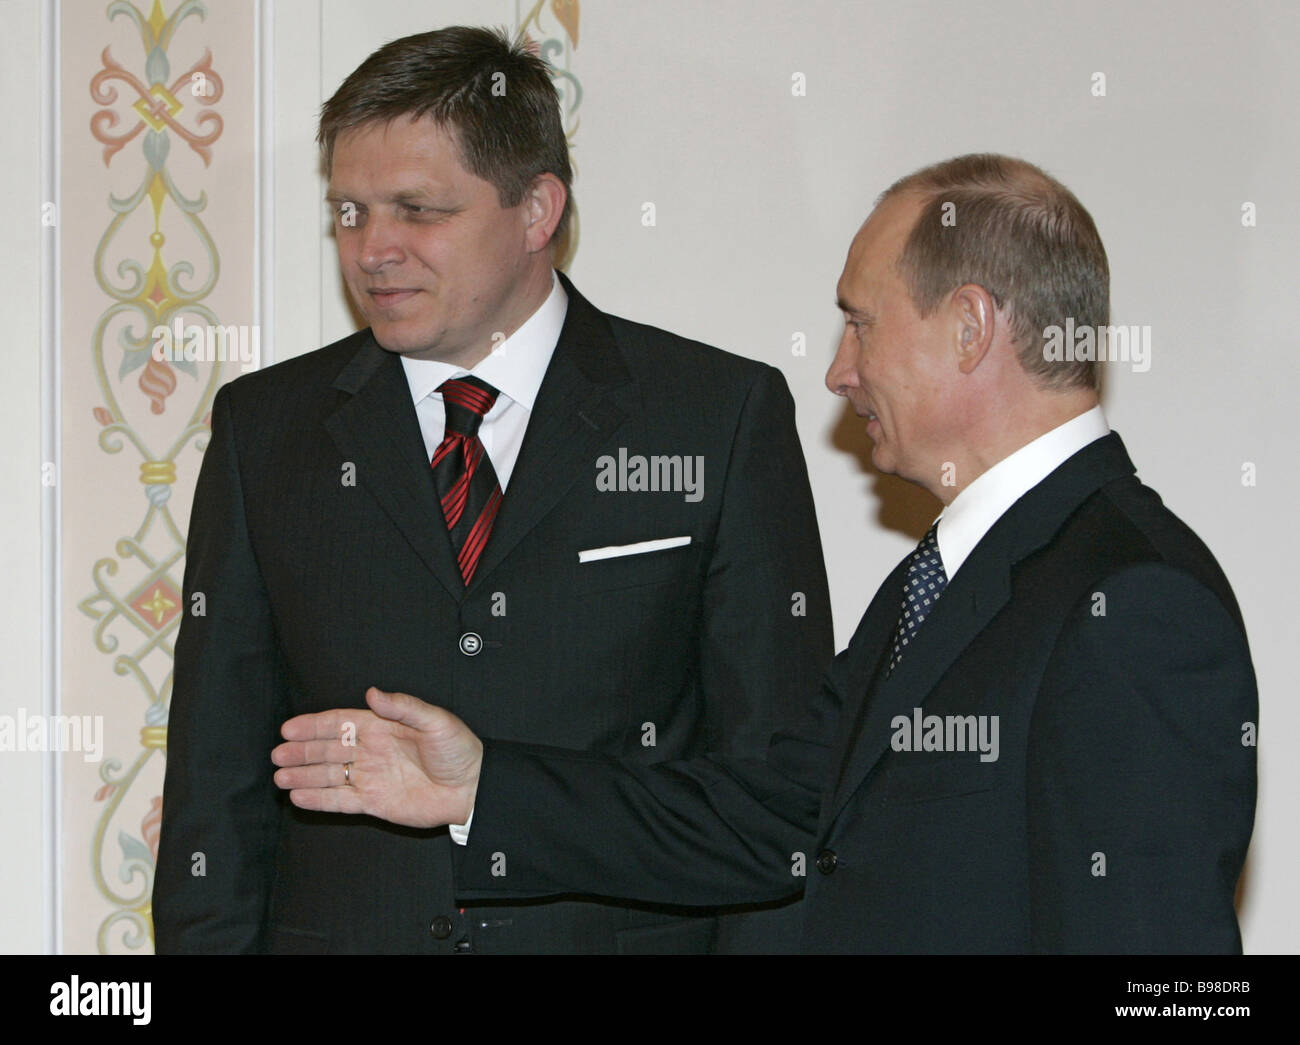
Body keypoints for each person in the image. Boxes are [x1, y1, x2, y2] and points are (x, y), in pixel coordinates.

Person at [273, 154, 1258, 953]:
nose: (839, 370)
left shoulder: (1127, 597)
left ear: (968, 327)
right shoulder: (951, 576)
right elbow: (768, 816)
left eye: (860, 324)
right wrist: (484, 787)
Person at [152, 26, 833, 954]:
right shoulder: (265, 428)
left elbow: (776, 804)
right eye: (349, 212)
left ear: (536, 210)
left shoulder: (715, 416)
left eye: (417, 210)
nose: (373, 250)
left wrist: (497, 792)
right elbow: (214, 788)